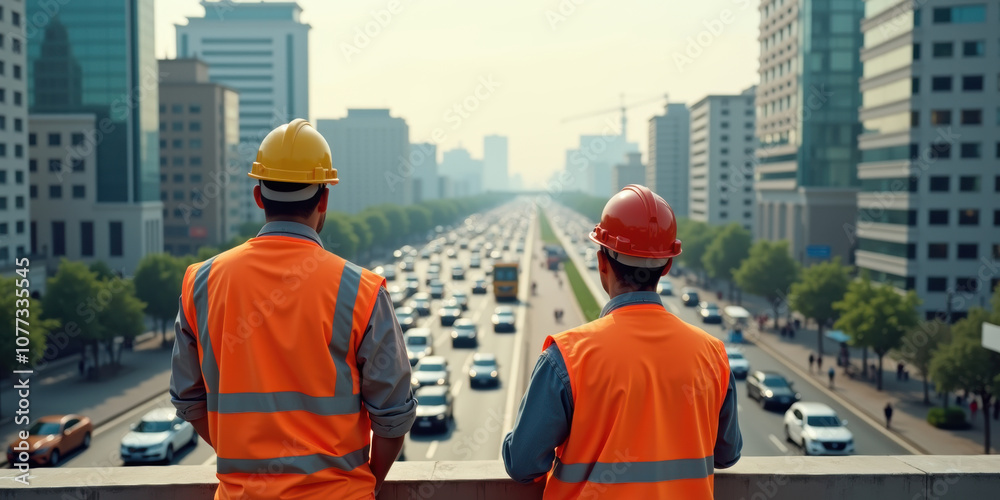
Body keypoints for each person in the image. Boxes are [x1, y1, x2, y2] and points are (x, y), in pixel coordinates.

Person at [169, 120, 416, 499]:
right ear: (324, 199)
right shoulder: (361, 291)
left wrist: (243, 459)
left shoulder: (200, 283)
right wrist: (369, 483)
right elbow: (393, 416)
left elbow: (188, 400)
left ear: (258, 195)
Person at [502, 185, 741, 498]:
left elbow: (522, 463)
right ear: (667, 266)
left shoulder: (567, 357)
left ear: (603, 263)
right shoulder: (713, 355)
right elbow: (727, 454)